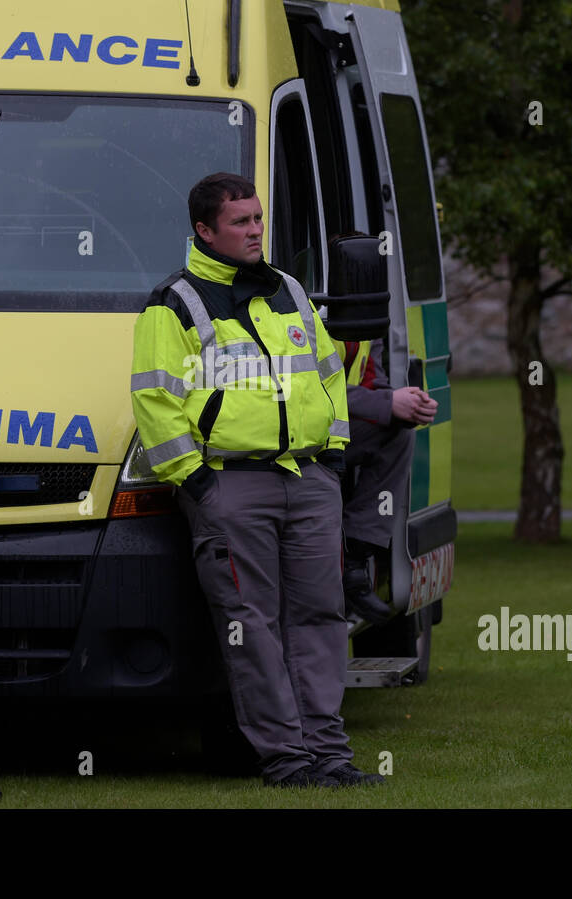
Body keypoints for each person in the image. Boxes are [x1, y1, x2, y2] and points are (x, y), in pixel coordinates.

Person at [130, 172, 384, 788]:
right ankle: (287, 760)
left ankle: (329, 754)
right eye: (240, 222)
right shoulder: (175, 304)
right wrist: (198, 485)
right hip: (230, 486)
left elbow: (326, 373)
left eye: (258, 219)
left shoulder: (289, 290)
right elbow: (155, 402)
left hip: (309, 477)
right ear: (204, 231)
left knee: (321, 617)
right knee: (254, 627)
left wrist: (334, 456)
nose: (255, 231)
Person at [335, 335, 437, 622]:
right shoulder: (297, 307)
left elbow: (371, 381)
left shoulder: (363, 314)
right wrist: (387, 402)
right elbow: (304, 389)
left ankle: (354, 562)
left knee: (398, 433)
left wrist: (407, 407)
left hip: (334, 428)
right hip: (292, 433)